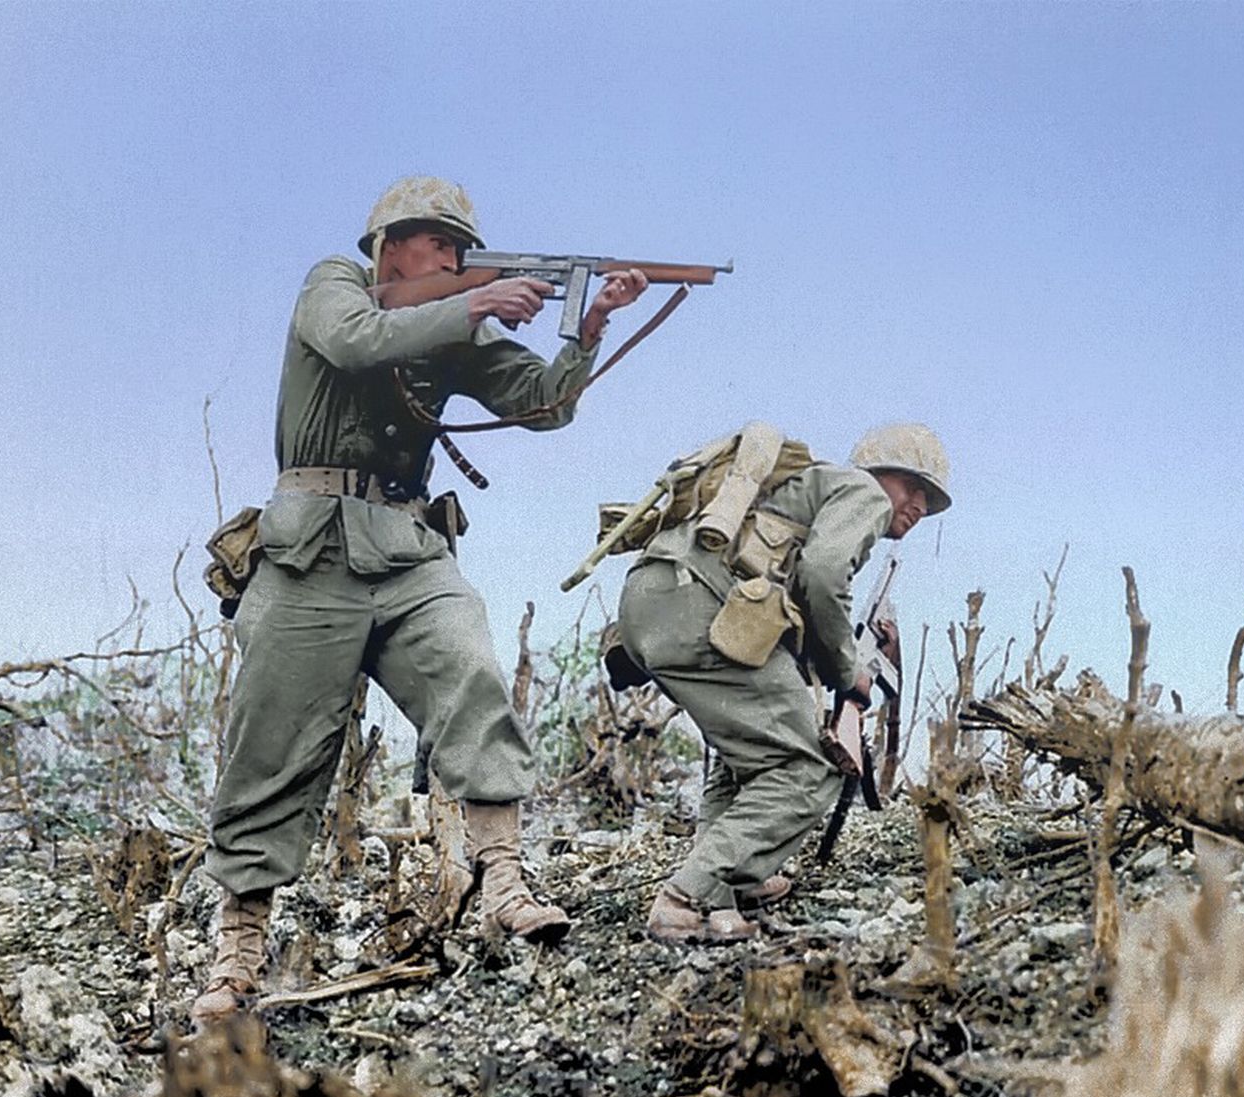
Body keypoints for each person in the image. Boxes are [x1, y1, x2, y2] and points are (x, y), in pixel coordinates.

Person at [192, 176, 647, 1023]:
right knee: (271, 747)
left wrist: (588, 328)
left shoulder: (455, 322)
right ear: (387, 243)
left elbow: (540, 403)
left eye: (460, 247)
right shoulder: (336, 282)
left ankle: (504, 877)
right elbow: (357, 339)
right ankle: (239, 949)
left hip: (407, 551)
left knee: (471, 670)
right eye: (436, 242)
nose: (452, 256)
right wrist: (473, 303)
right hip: (309, 556)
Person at [616, 423, 951, 942]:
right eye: (916, 488)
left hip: (655, 603)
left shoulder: (805, 495)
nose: (920, 507)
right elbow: (822, 575)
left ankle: (727, 892)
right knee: (806, 767)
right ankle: (691, 896)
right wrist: (851, 673)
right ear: (884, 473)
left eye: (929, 500)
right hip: (701, 603)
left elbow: (793, 593)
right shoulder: (861, 491)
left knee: (747, 756)